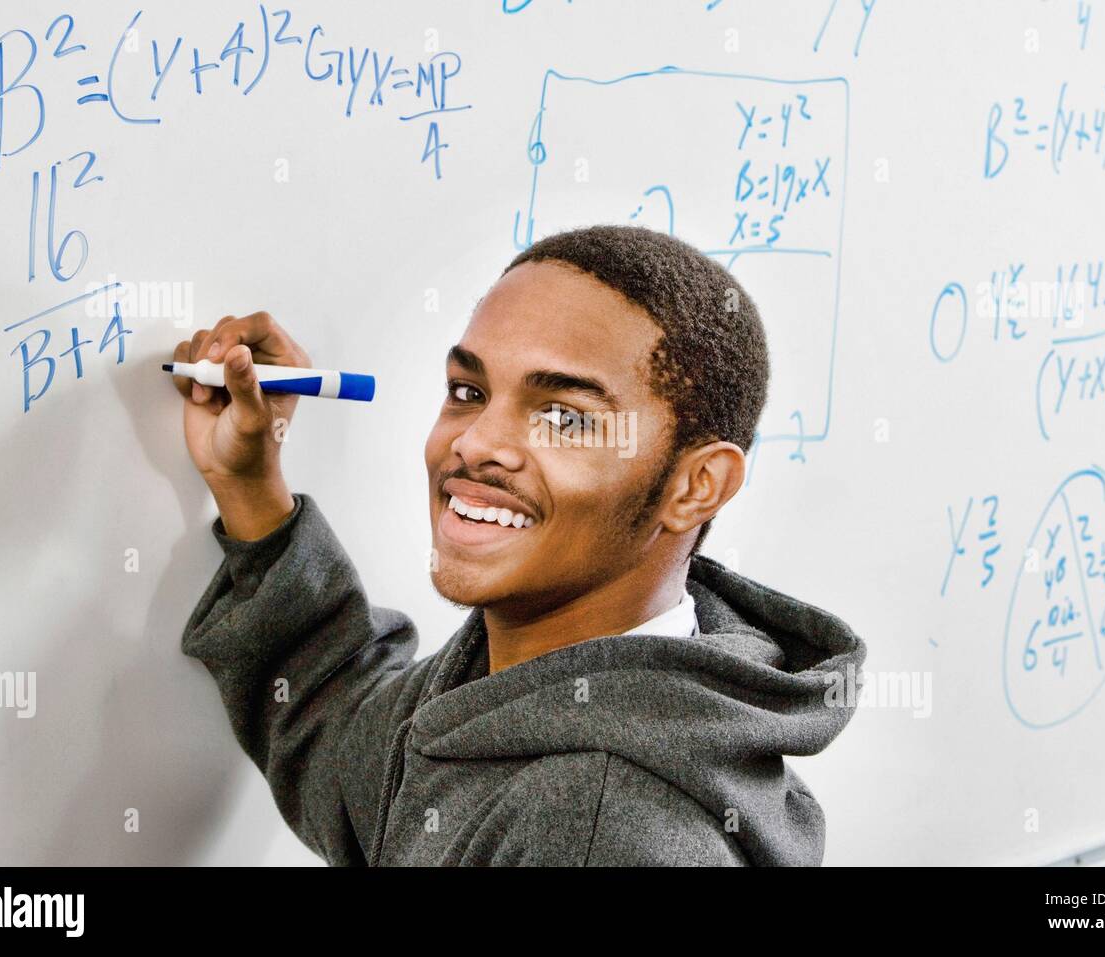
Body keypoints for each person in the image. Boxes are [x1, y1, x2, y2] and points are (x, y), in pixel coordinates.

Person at [171, 224, 866, 866]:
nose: (474, 444)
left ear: (695, 486)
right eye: (468, 390)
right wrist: (252, 491)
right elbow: (345, 743)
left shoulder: (601, 832)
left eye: (564, 416)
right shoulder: (518, 694)